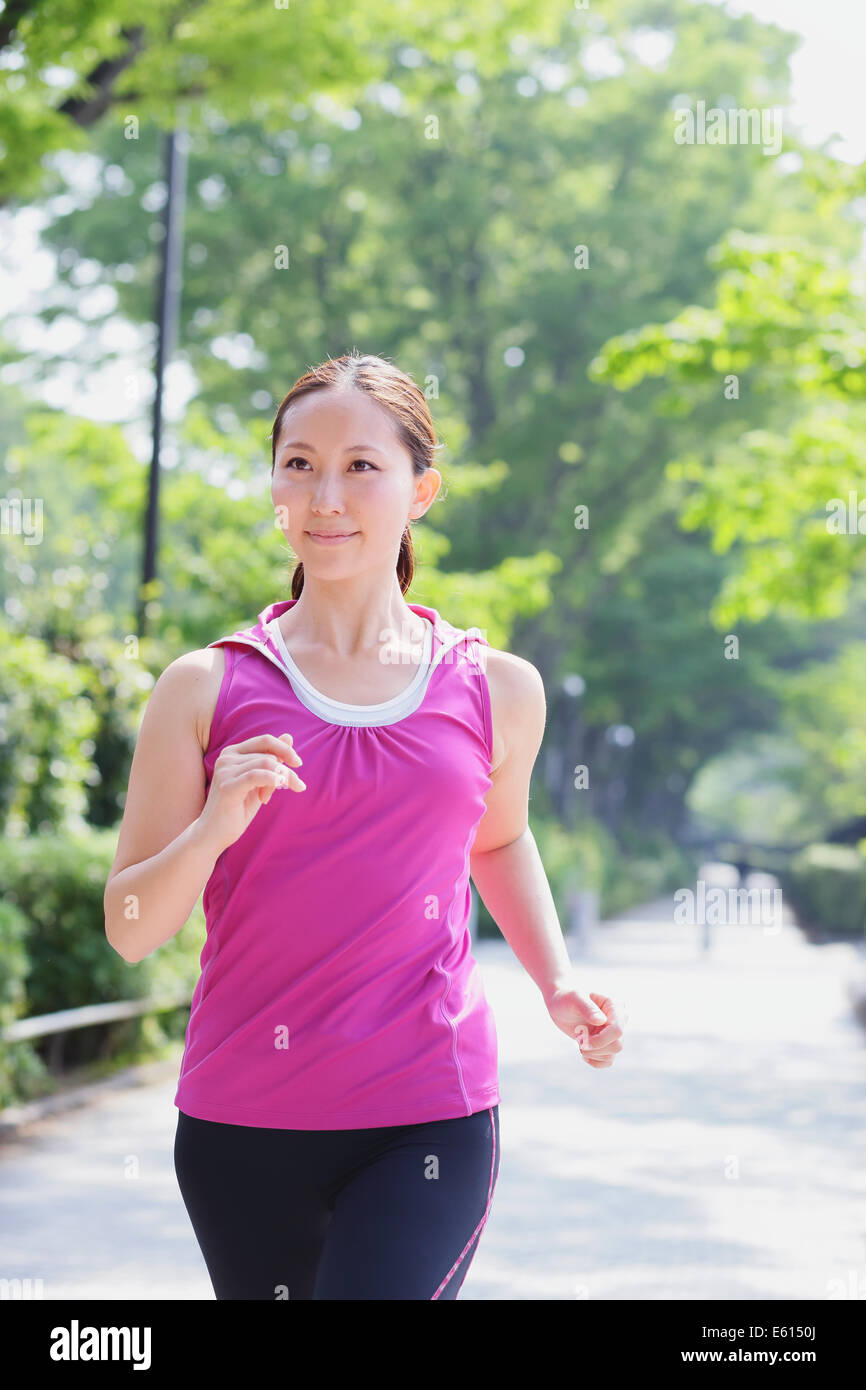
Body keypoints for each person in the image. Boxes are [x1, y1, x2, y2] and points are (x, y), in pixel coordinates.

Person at [103, 350, 625, 1300]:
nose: (325, 495)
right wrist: (216, 823)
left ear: (421, 490)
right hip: (242, 1124)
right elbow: (133, 929)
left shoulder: (497, 689)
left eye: (360, 466)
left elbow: (497, 840)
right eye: (298, 464)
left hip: (428, 1115)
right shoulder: (205, 687)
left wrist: (556, 981)